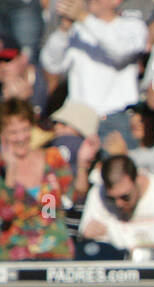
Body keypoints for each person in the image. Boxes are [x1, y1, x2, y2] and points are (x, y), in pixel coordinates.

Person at [41, 0, 149, 120]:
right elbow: (52, 64)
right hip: (79, 119)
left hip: (118, 117)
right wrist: (64, 29)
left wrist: (83, 17)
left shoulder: (134, 26)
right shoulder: (78, 28)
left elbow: (120, 51)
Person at [1, 98, 94, 260]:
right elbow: (5, 214)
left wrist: (82, 164)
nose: (21, 137)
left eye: (25, 130)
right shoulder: (2, 169)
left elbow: (75, 195)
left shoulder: (52, 158)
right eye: (13, 133)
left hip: (55, 247)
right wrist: (11, 171)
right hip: (15, 250)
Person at [78, 155, 154, 258]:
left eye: (125, 197)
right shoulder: (98, 194)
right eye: (111, 199)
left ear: (138, 179)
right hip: (115, 262)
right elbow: (88, 236)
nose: (119, 204)